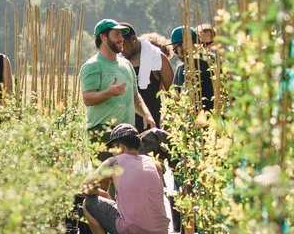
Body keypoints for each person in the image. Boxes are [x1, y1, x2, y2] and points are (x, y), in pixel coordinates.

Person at [82, 123, 169, 234]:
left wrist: (101, 193)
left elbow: (85, 187)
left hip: (131, 232)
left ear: (121, 147)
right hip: (160, 232)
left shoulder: (113, 162)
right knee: (147, 202)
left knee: (87, 203)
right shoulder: (154, 163)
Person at [80, 19, 156, 157]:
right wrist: (109, 93)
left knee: (127, 176)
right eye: (117, 35)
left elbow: (134, 95)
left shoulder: (126, 65)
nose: (121, 39)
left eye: (122, 35)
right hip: (103, 132)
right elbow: (87, 98)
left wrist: (146, 114)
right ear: (103, 37)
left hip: (128, 132)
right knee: (106, 176)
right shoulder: (92, 66)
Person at [123, 31, 175, 129]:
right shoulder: (119, 62)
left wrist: (168, 124)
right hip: (125, 123)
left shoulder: (158, 59)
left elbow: (173, 95)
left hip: (151, 123)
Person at [170, 25, 214, 111]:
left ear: (184, 45)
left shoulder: (183, 68)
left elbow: (175, 100)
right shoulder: (213, 61)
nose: (177, 55)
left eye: (175, 50)